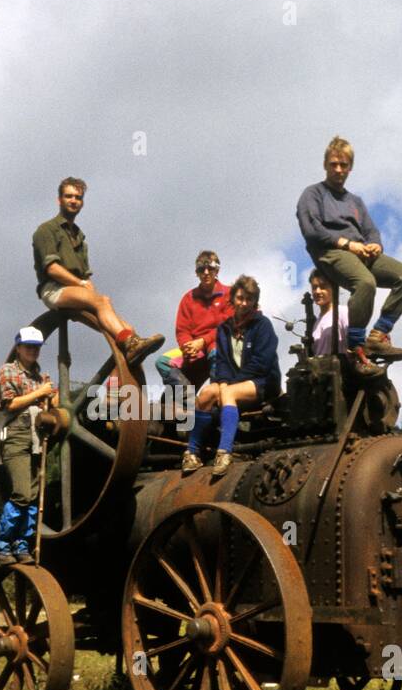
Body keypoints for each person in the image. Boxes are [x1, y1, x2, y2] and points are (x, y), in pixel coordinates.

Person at [296, 136, 402, 377]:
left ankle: (377, 335)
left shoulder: (355, 202)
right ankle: (355, 348)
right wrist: (346, 244)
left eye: (343, 165)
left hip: (360, 251)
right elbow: (311, 229)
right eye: (333, 164)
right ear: (325, 165)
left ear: (350, 167)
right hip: (330, 250)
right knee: (365, 283)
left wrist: (375, 245)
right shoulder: (313, 194)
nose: (338, 169)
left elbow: (371, 230)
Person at [32, 177, 164, 365]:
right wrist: (82, 286)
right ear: (59, 200)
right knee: (103, 302)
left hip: (78, 290)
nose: (73, 200)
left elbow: (86, 276)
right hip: (54, 289)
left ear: (82, 202)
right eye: (68, 196)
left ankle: (126, 359)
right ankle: (130, 343)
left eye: (78, 197)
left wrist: (87, 289)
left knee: (125, 327)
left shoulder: (79, 237)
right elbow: (52, 269)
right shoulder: (46, 230)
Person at [182, 275, 281, 477]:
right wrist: (224, 382)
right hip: (235, 382)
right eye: (240, 298)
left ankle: (224, 452)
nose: (244, 303)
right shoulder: (224, 328)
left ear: (255, 302)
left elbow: (261, 364)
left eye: (249, 299)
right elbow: (223, 362)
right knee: (207, 393)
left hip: (263, 382)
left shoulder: (263, 325)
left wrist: (229, 386)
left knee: (228, 394)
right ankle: (192, 453)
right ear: (233, 298)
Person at [0, 326, 59, 565]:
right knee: (21, 493)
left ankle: (21, 545)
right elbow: (9, 404)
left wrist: (53, 396)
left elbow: (52, 400)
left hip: (36, 437)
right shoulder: (8, 371)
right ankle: (2, 545)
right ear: (18, 348)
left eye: (36, 347)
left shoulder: (41, 377)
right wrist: (40, 392)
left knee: (33, 497)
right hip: (16, 435)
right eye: (28, 346)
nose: (32, 351)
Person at [155, 250, 231, 390]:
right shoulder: (188, 298)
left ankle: (216, 397)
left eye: (211, 268)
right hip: (195, 349)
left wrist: (203, 342)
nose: (206, 272)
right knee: (162, 362)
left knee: (216, 353)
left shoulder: (229, 294)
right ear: (197, 272)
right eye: (202, 269)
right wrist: (187, 346)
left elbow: (228, 326)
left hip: (217, 345)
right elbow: (182, 330)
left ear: (217, 270)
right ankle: (187, 399)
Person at [308, 268, 348, 356]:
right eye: (314, 287)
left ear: (333, 288)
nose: (317, 291)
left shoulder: (343, 312)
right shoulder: (316, 323)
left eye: (323, 287)